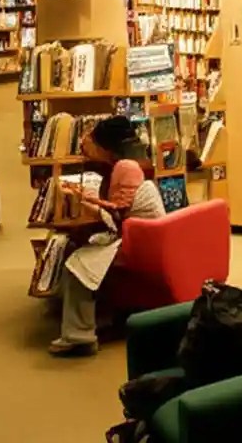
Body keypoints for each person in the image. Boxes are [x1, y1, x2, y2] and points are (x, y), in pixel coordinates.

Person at [49, 116, 165, 357]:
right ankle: (97, 319)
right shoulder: (137, 162)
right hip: (147, 235)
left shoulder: (125, 168)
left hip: (138, 243)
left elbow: (116, 217)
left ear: (105, 147)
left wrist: (87, 202)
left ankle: (79, 335)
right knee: (87, 251)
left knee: (78, 262)